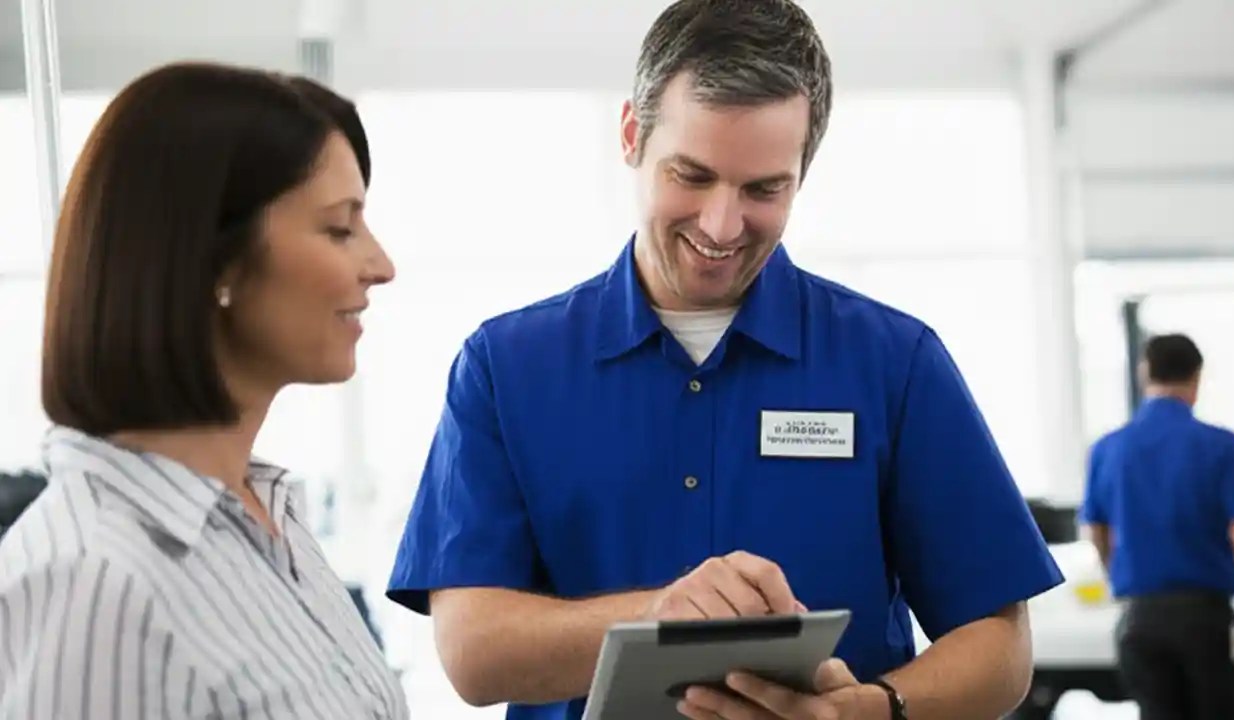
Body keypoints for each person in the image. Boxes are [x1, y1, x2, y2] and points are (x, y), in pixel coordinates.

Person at [388, 1, 1064, 718]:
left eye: (763, 189)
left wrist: (871, 710)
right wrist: (658, 617)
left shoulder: (896, 363)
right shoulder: (506, 368)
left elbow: (999, 644)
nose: (721, 225)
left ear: (803, 171)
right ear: (630, 135)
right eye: (693, 175)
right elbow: (473, 652)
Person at [0, 62, 408, 719]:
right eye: (339, 228)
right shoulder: (94, 582)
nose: (380, 266)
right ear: (214, 261)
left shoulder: (272, 522)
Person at [1081, 333, 1234, 720]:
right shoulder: (1219, 445)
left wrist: (1120, 585)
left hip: (1139, 620)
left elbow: (1098, 532)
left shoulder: (1107, 449)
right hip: (1204, 618)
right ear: (1197, 377)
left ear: (1145, 374)